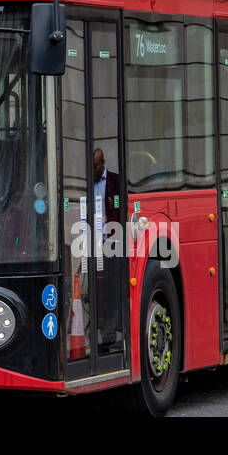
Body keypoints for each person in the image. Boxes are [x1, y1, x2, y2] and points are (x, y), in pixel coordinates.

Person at [90, 148, 124, 348]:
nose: (93, 170)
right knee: (97, 291)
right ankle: (99, 332)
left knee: (110, 289)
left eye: (95, 165)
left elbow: (119, 209)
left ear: (102, 163)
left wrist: (109, 219)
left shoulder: (114, 181)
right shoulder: (88, 182)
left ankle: (109, 334)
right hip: (93, 243)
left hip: (110, 242)